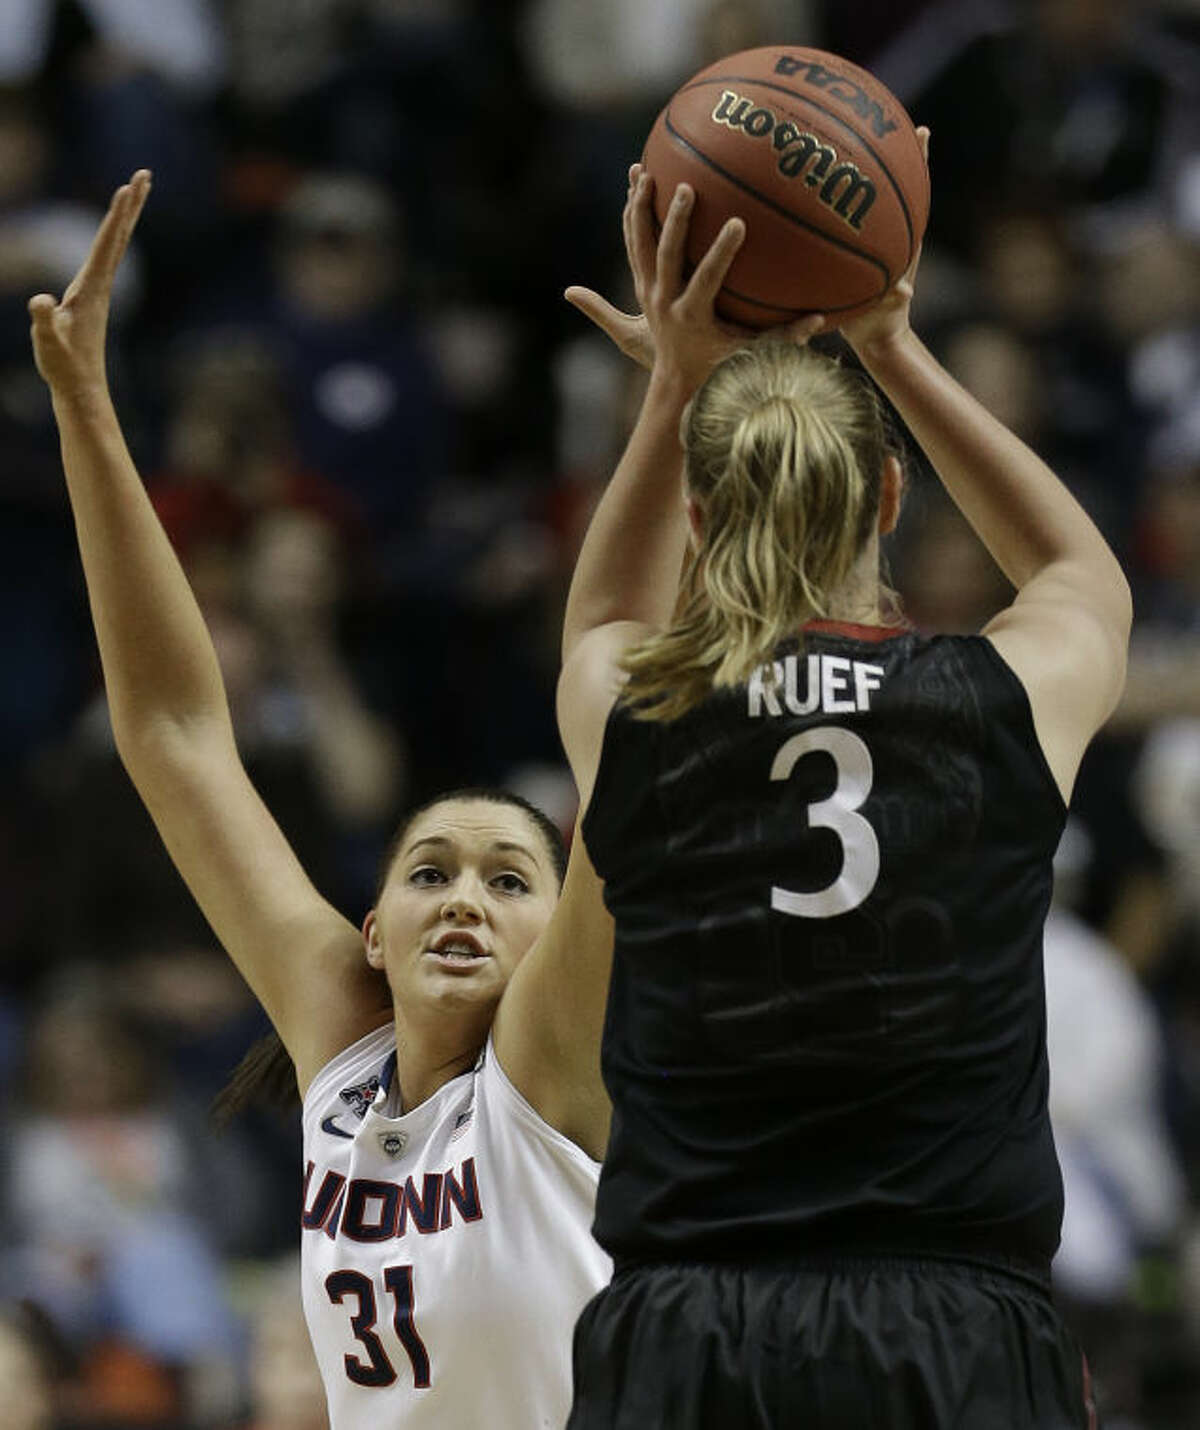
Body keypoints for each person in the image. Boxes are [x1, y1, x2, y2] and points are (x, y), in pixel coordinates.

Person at [28, 171, 617, 1430]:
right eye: (430, 871)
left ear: (560, 932)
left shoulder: (561, 1065)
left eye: (511, 878)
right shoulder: (344, 1063)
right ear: (372, 930)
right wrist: (89, 411)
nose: (464, 896)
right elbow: (177, 731)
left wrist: (669, 401)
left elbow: (624, 699)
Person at [555, 150, 1130, 1427]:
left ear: (698, 518)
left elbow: (603, 607)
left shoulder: (633, 711)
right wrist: (894, 342)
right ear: (886, 493)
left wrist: (674, 391)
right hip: (957, 1324)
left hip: (693, 1323)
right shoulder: (998, 702)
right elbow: (1083, 574)